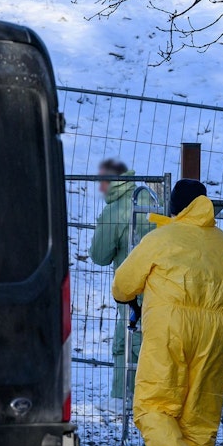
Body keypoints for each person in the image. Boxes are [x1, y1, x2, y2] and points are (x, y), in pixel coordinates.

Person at [112, 179, 223, 446]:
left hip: (170, 328)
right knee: (199, 415)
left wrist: (134, 298)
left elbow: (122, 285)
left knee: (152, 406)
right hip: (215, 332)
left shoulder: (159, 239)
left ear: (175, 207)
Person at [89, 159, 150, 411]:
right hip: (163, 285)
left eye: (102, 182)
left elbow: (99, 255)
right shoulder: (149, 198)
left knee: (127, 340)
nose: (100, 188)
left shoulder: (116, 212)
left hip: (132, 287)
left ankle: (122, 398)